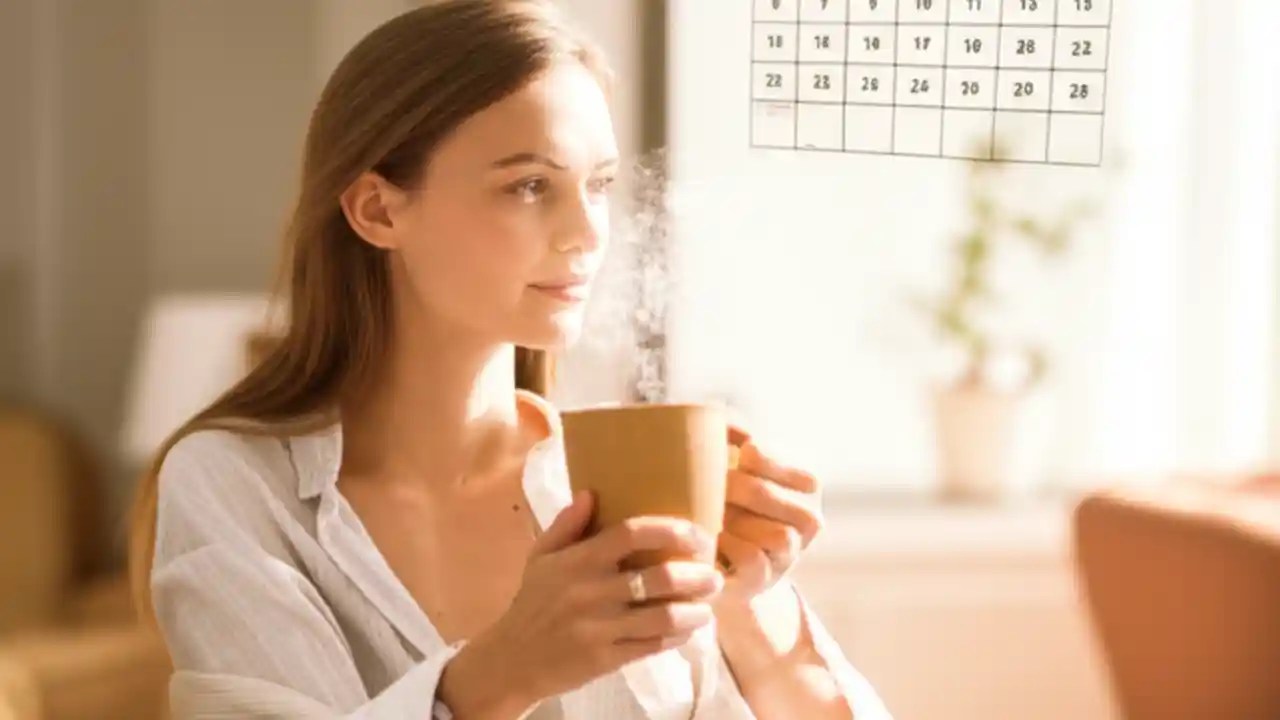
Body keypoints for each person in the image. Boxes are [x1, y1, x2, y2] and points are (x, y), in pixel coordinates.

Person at [127, 1, 894, 718]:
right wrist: (507, 671)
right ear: (379, 209)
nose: (588, 233)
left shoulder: (623, 480)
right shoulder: (232, 485)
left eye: (598, 185)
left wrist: (752, 607)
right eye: (530, 185)